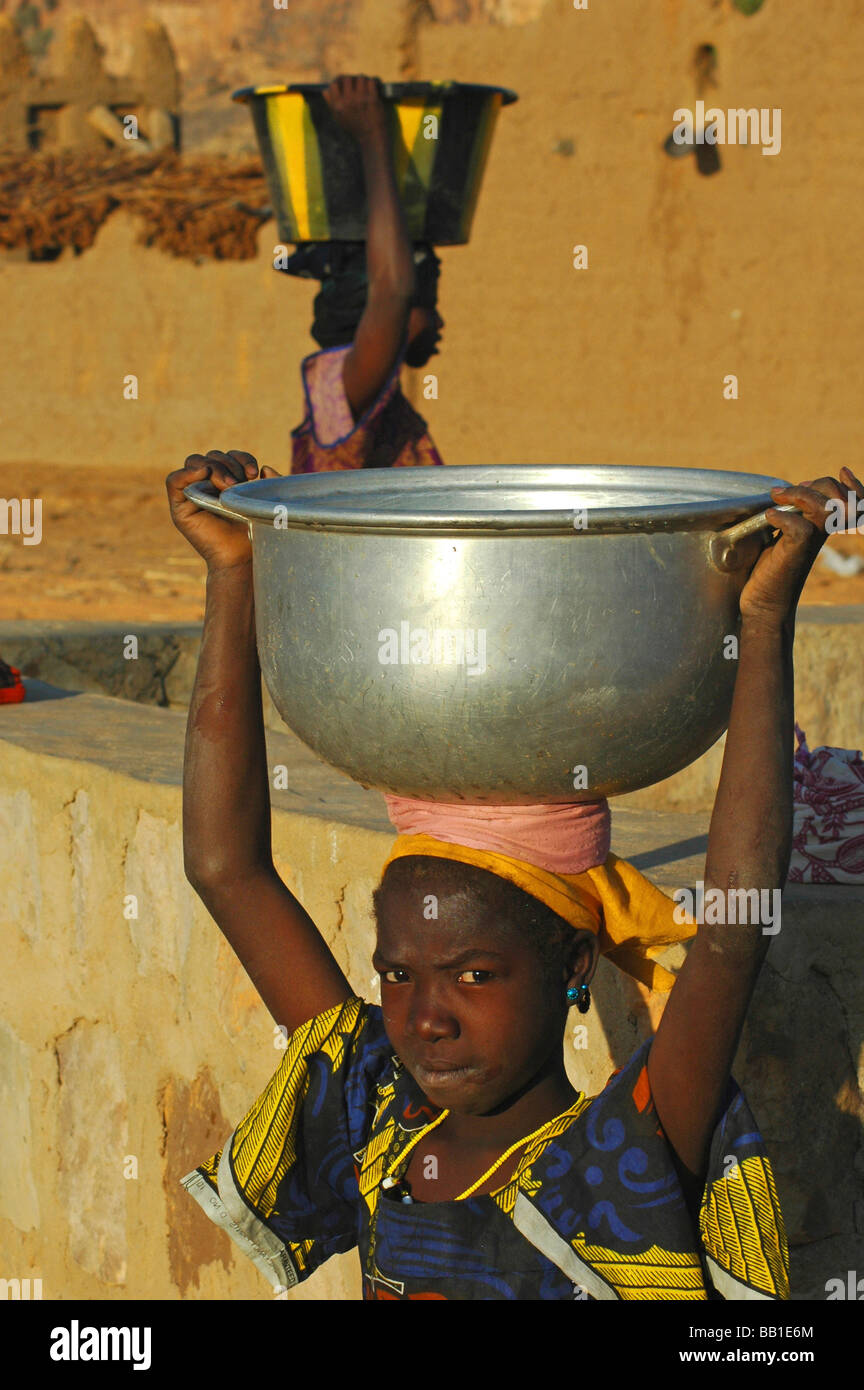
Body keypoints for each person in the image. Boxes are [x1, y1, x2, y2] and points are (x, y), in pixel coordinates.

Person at [166, 447, 862, 1299]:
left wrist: (761, 622)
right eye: (398, 974)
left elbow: (729, 937)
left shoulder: (619, 1154)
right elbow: (224, 868)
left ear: (576, 964)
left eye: (474, 974)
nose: (426, 1019)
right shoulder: (374, 1115)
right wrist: (236, 573)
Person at [283, 75, 444, 475]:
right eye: (429, 303)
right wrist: (372, 137)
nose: (440, 321)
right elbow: (392, 290)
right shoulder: (342, 385)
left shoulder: (368, 397)